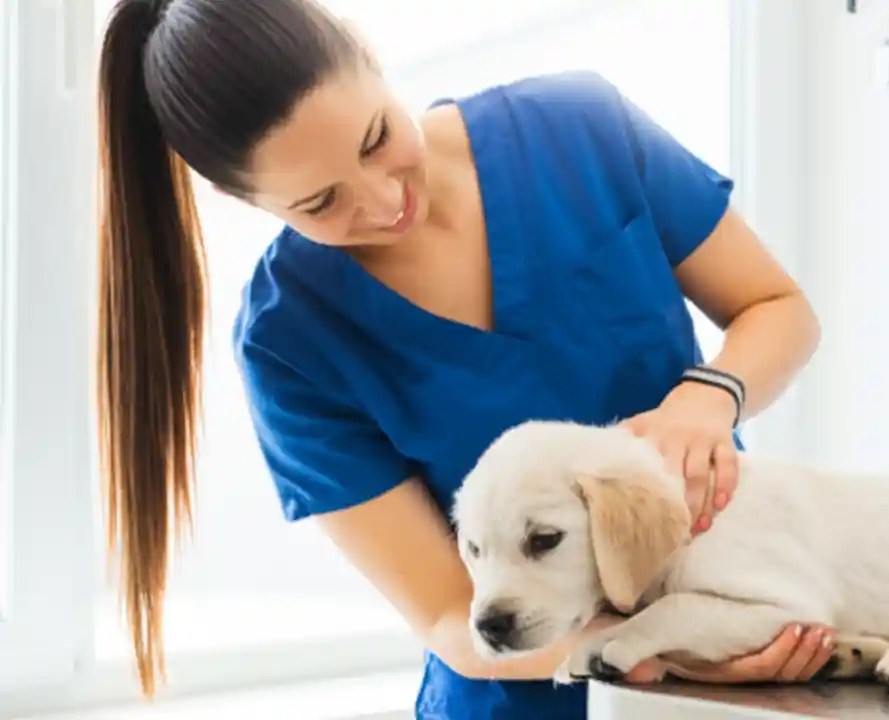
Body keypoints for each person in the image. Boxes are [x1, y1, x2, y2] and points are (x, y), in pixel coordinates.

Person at [95, 0, 825, 717]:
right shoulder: (290, 341)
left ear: (367, 49)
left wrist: (709, 396)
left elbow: (776, 308)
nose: (383, 203)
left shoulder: (579, 130)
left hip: (735, 636)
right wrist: (671, 652)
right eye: (321, 203)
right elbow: (450, 617)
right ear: (241, 200)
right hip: (530, 695)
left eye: (377, 137)